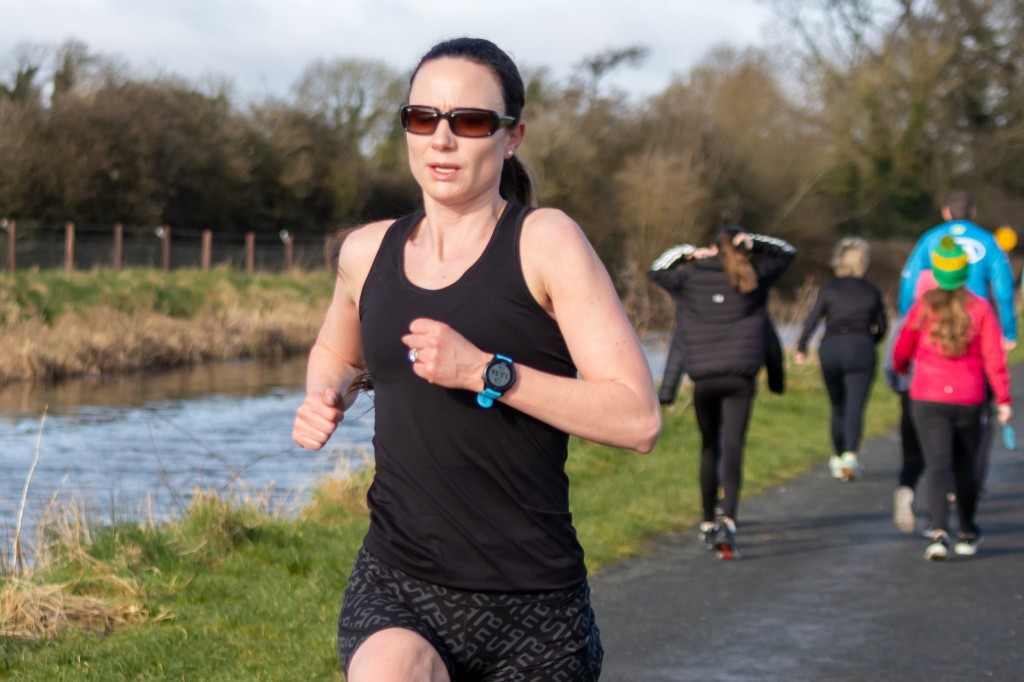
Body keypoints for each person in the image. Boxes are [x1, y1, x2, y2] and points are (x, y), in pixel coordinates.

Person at [291, 37, 661, 682]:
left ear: (511, 136)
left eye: (467, 121)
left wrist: (486, 372)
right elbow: (334, 349)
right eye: (421, 118)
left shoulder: (546, 242)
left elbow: (636, 420)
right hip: (399, 581)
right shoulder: (365, 251)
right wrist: (327, 394)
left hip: (534, 608)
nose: (441, 139)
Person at [648, 227, 796, 559]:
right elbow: (787, 252)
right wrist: (756, 243)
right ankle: (727, 520)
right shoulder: (752, 276)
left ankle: (705, 520)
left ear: (711, 249)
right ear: (738, 248)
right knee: (733, 446)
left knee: (709, 446)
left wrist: (686, 252)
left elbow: (656, 270)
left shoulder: (688, 281)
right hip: (740, 377)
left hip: (704, 378)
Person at [893, 189, 1017, 532]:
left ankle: (939, 518)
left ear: (946, 211)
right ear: (973, 211)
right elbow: (1004, 288)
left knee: (936, 445)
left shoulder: (930, 239)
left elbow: (908, 284)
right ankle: (970, 488)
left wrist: (912, 322)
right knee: (977, 418)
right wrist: (1008, 330)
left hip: (934, 338)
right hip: (975, 333)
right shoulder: (989, 242)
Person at [794, 237, 887, 482]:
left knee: (838, 405)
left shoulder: (829, 289)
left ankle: (837, 458)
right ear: (863, 262)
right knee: (855, 406)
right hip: (861, 348)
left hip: (831, 348)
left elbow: (812, 319)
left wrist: (801, 346)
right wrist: (869, 342)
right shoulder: (871, 290)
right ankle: (850, 455)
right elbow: (883, 326)